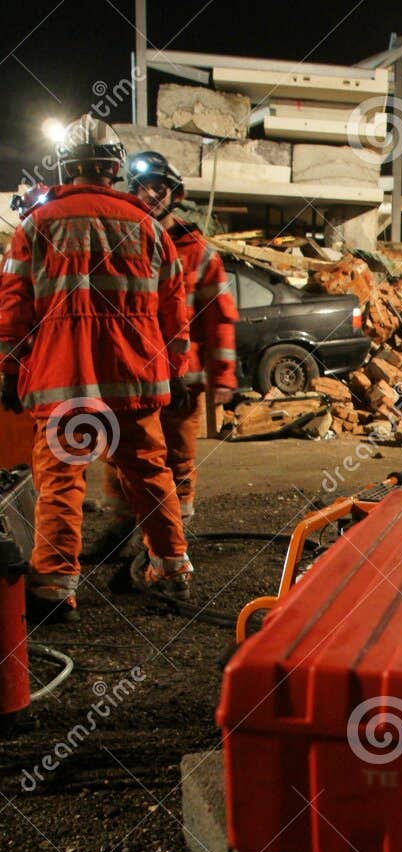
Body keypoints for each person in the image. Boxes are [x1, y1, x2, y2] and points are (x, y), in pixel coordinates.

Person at [0, 115, 193, 619]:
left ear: (67, 167)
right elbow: (175, 314)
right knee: (149, 475)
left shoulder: (36, 226)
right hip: (134, 381)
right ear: (113, 169)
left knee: (61, 482)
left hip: (63, 384)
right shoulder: (150, 228)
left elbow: (13, 309)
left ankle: (57, 588)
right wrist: (176, 369)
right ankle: (172, 571)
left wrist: (8, 368)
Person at [97, 150, 238, 537]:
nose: (150, 195)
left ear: (174, 194)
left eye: (158, 188)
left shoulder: (200, 254)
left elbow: (219, 318)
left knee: (176, 458)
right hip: (132, 375)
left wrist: (223, 377)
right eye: (142, 188)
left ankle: (175, 534)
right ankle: (123, 529)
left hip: (182, 379)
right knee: (120, 453)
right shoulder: (125, 243)